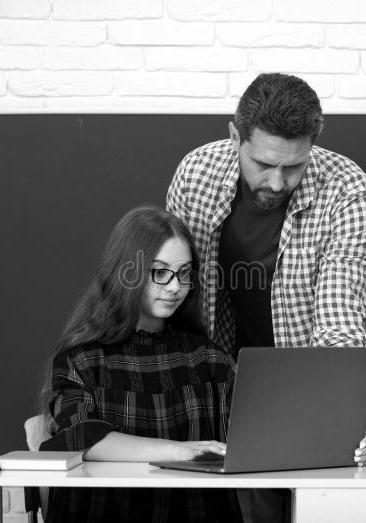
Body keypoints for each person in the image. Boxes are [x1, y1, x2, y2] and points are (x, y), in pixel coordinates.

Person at [166, 72, 366, 520]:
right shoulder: (196, 175)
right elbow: (180, 295)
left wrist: (336, 423)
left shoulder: (348, 191)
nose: (276, 182)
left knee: (326, 496)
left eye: (294, 167)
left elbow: (340, 320)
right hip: (236, 370)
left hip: (329, 368)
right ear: (235, 137)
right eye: (264, 164)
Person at [38, 206, 243, 523]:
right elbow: (81, 437)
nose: (175, 287)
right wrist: (181, 451)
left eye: (185, 273)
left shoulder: (211, 358)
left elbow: (254, 434)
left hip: (195, 513)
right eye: (160, 272)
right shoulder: (81, 357)